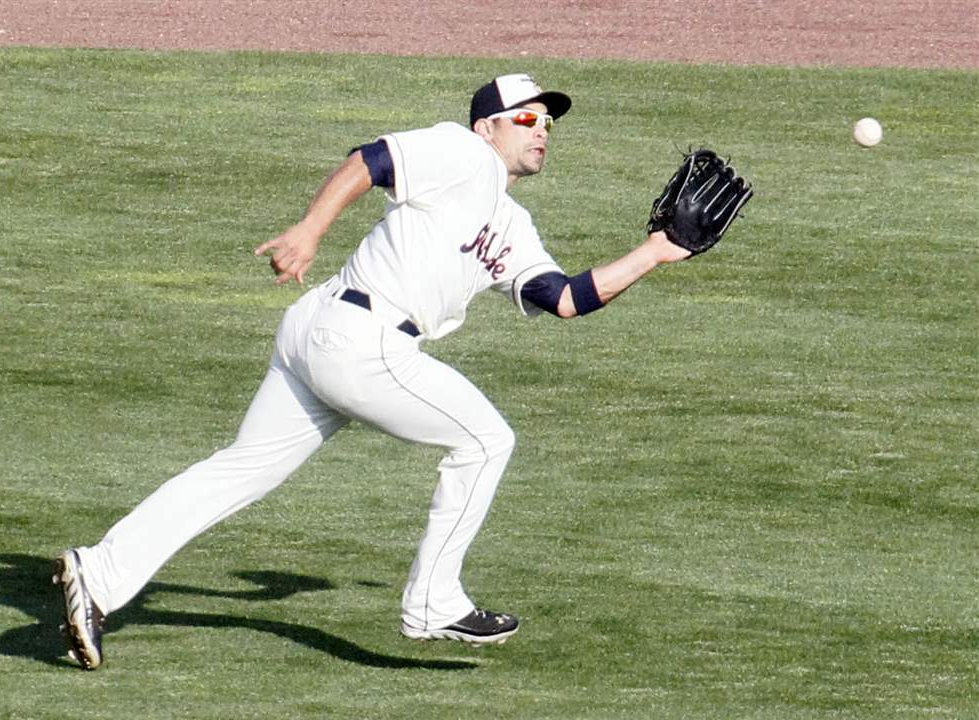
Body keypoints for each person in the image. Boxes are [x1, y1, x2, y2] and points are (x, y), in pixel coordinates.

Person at [54, 73, 696, 670]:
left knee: (240, 470)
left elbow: (564, 297)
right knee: (485, 440)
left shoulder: (511, 222)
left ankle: (99, 573)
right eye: (525, 117)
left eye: (548, 123)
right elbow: (373, 160)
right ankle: (433, 602)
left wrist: (656, 251)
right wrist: (310, 228)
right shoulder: (461, 153)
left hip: (325, 332)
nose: (540, 130)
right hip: (360, 339)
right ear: (486, 129)